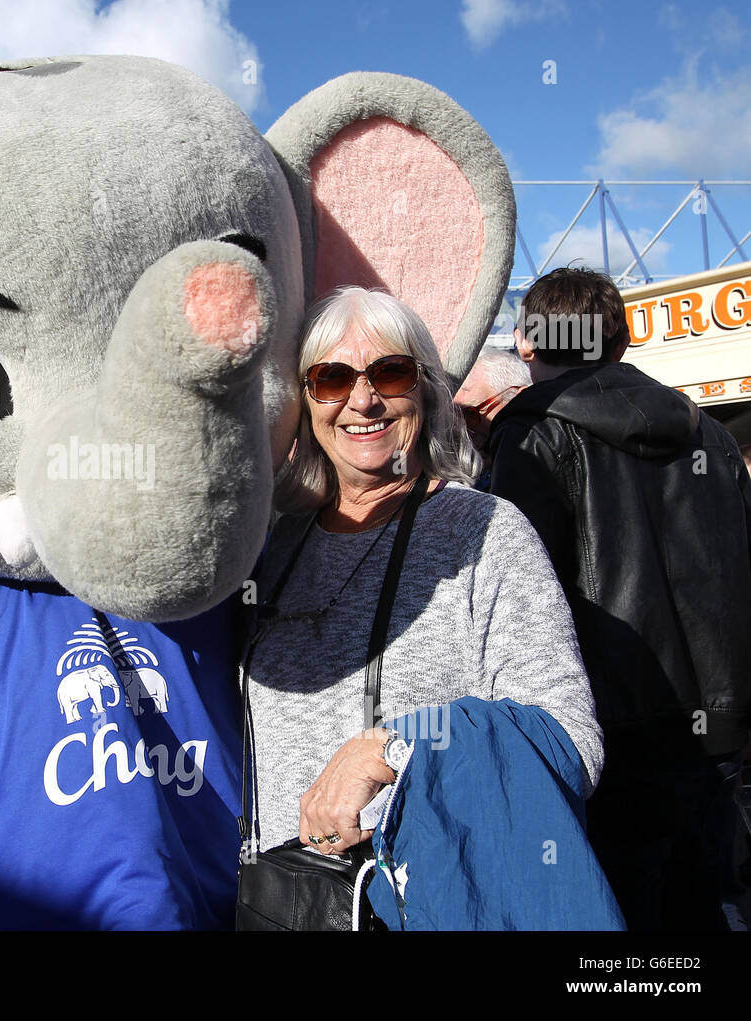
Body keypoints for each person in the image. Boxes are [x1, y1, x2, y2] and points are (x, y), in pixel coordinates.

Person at [250, 287, 603, 877]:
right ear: (305, 403)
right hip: (277, 904)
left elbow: (570, 742)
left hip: (425, 900)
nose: (363, 401)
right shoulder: (279, 545)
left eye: (390, 373)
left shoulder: (483, 531)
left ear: (426, 392)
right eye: (333, 379)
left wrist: (390, 749)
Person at [488, 266, 751, 930]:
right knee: (711, 906)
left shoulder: (530, 432)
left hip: (610, 742)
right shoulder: (713, 437)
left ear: (527, 341)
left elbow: (517, 596)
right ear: (622, 340)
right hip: (719, 730)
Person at [453, 347, 529, 488]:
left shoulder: (543, 470)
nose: (461, 428)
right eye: (452, 416)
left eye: (470, 414)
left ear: (518, 398)